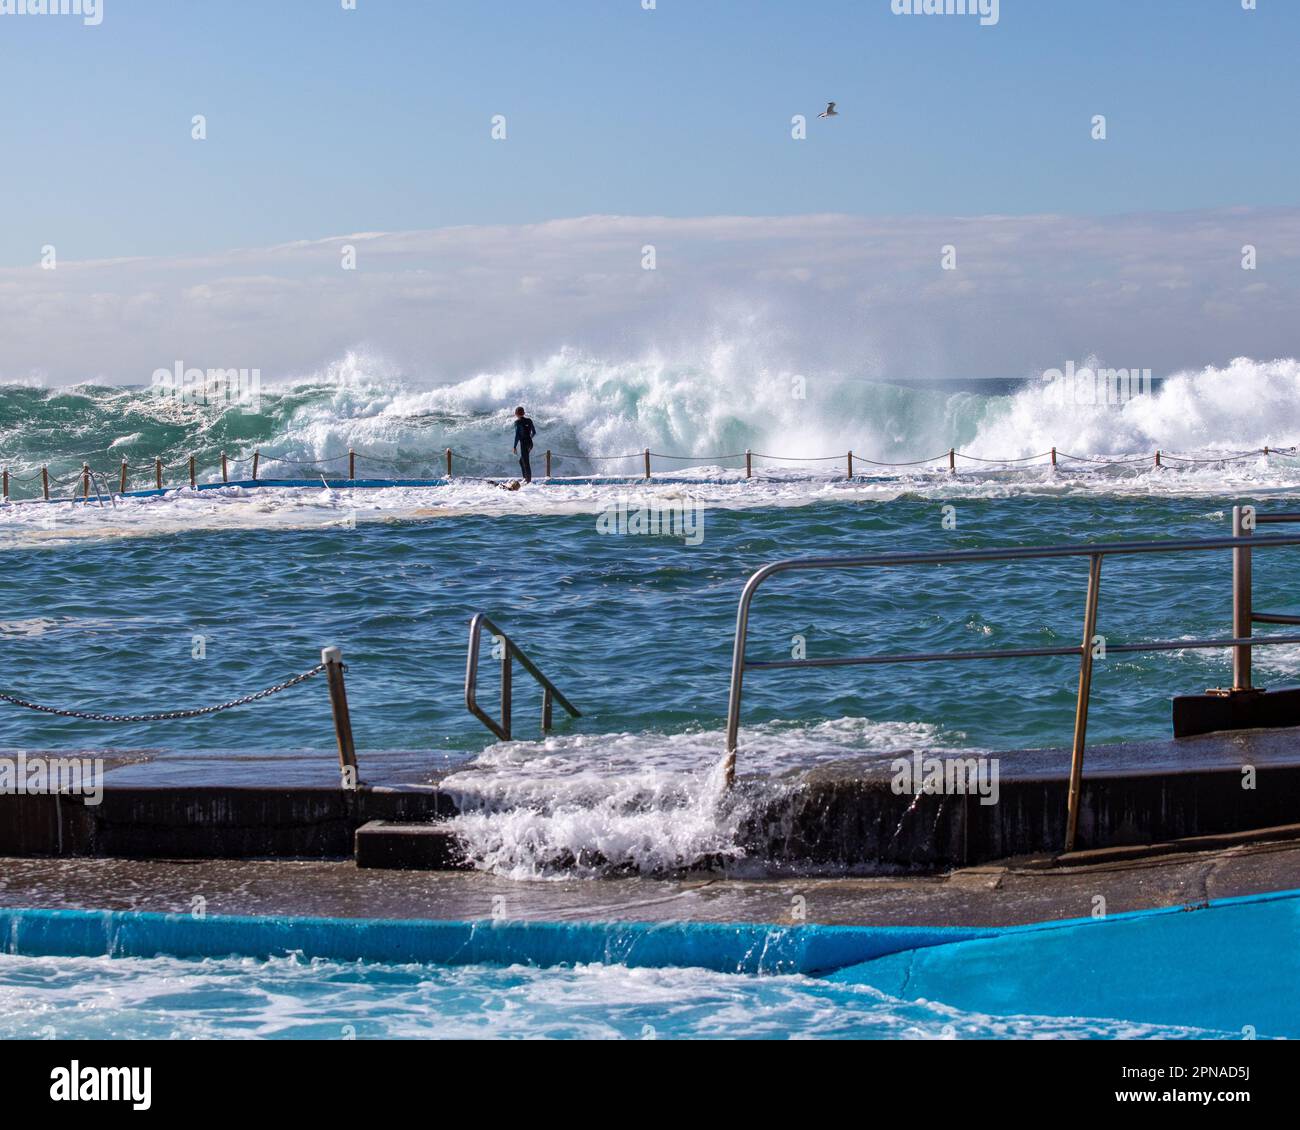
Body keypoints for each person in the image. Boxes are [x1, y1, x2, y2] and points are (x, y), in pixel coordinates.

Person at [512, 406, 537, 483]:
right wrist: (529, 439)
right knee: (522, 461)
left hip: (524, 444)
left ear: (516, 414)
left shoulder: (517, 422)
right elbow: (534, 432)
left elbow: (517, 435)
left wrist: (514, 446)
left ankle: (527, 481)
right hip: (530, 444)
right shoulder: (529, 420)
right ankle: (525, 478)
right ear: (524, 413)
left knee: (526, 462)